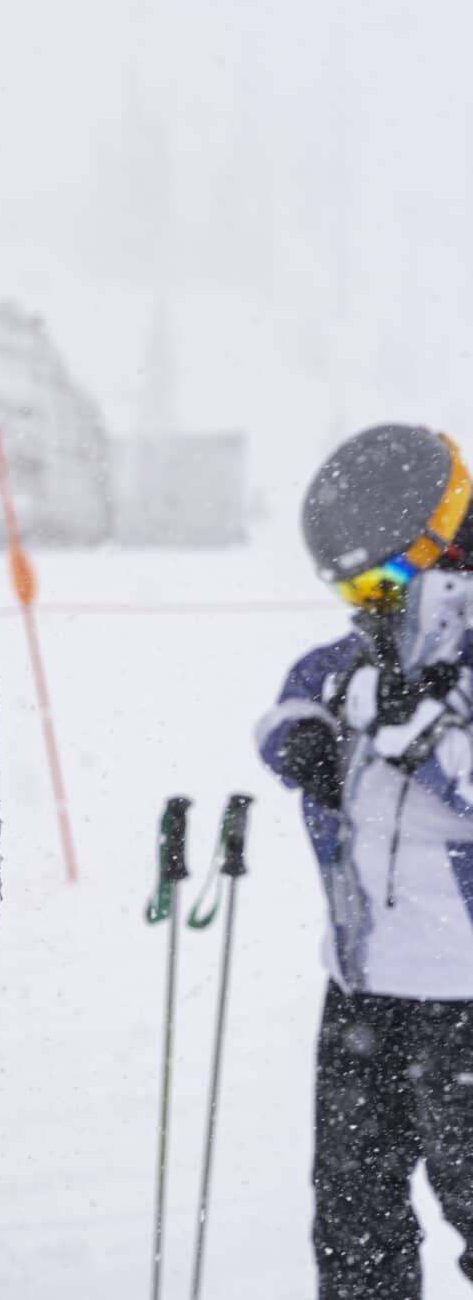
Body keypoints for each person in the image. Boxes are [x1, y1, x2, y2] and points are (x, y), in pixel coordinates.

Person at [258, 424, 473, 1299]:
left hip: (463, 996)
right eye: (352, 588)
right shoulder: (371, 648)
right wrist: (309, 740)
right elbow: (298, 696)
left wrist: (433, 743)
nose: (366, 603)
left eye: (380, 582)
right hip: (362, 989)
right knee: (356, 1225)